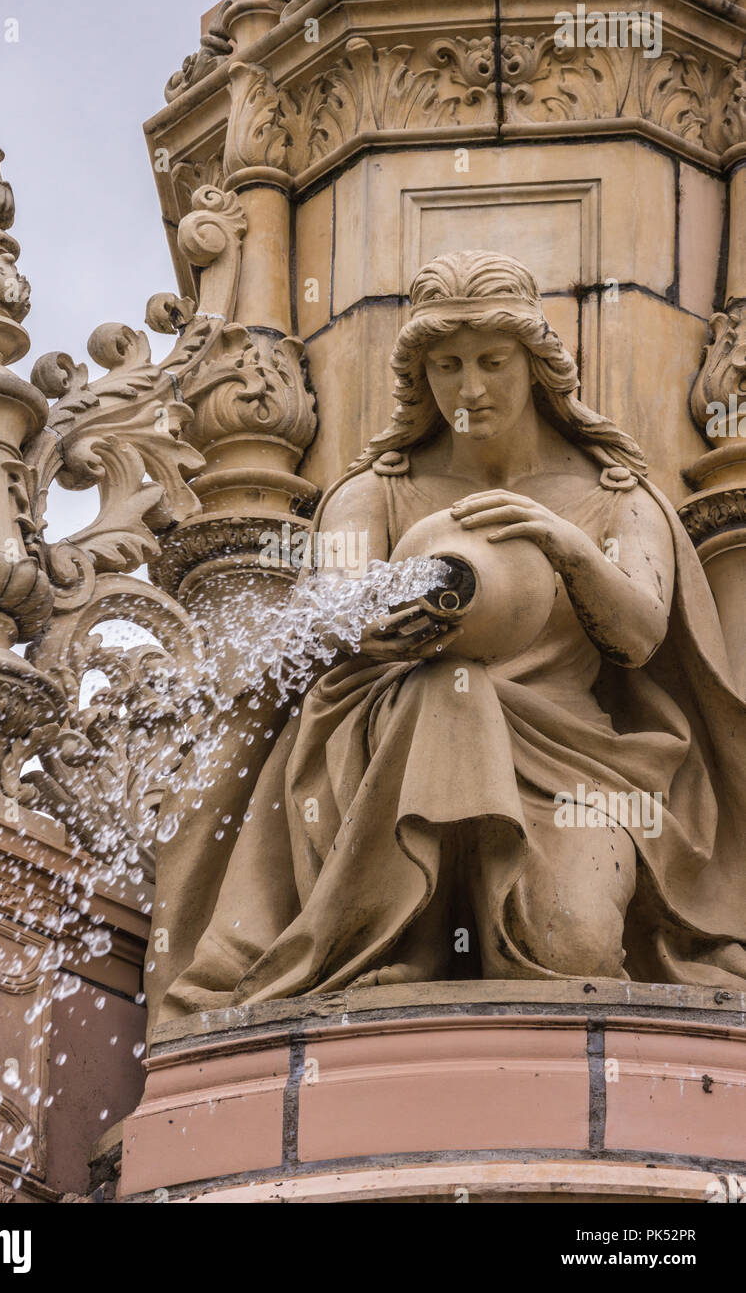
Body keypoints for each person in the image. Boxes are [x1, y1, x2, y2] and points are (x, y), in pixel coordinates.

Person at [163, 250, 746, 1016]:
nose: (470, 389)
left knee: (575, 948)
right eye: (447, 366)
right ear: (421, 378)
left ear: (537, 366)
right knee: (450, 689)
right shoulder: (374, 492)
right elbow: (333, 611)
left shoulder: (616, 496)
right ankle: (410, 933)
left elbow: (638, 634)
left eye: (492, 362)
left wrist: (565, 545)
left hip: (573, 760)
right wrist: (381, 628)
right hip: (387, 747)